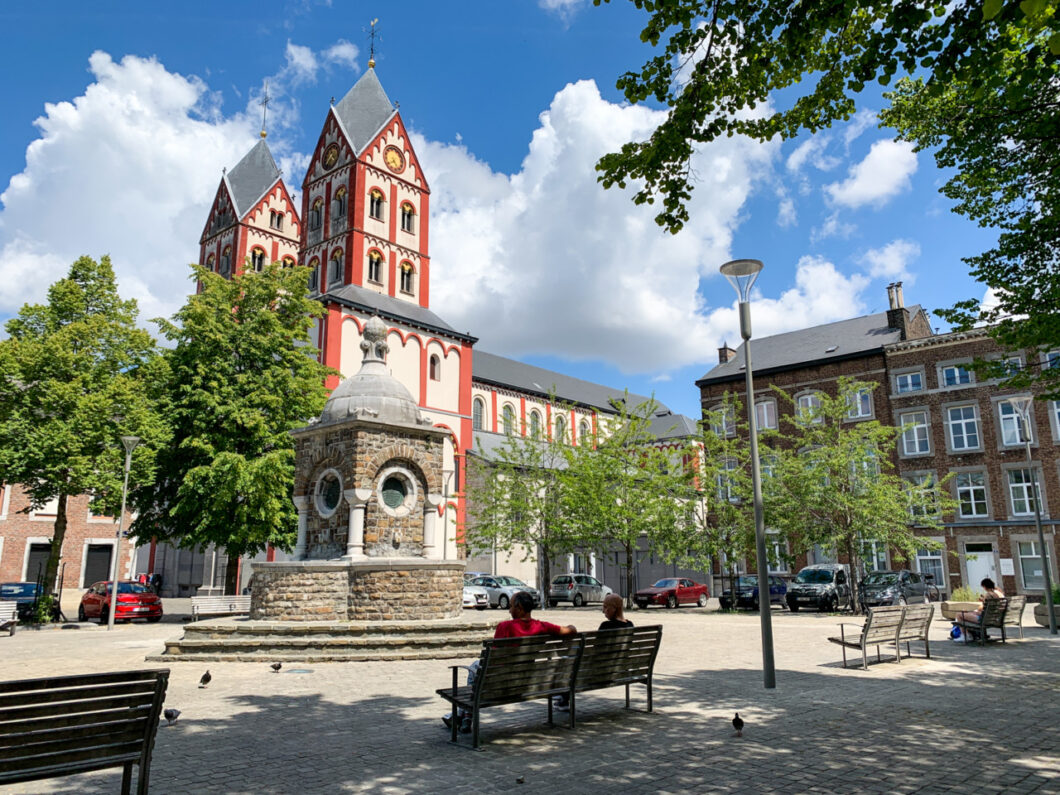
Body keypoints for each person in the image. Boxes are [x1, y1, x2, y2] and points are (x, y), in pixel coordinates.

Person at [444, 591, 576, 732]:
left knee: (475, 667)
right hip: (528, 681)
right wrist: (571, 626)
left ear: (519, 608)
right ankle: (462, 716)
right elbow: (570, 630)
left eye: (511, 606)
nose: (509, 609)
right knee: (477, 667)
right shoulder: (542, 626)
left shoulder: (505, 627)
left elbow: (493, 661)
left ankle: (466, 716)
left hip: (501, 684)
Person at [553, 594, 633, 709]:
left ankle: (564, 698)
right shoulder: (630, 625)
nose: (603, 611)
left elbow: (595, 651)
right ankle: (563, 694)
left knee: (571, 661)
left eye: (605, 607)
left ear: (614, 608)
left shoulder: (606, 626)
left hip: (600, 672)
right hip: (619, 670)